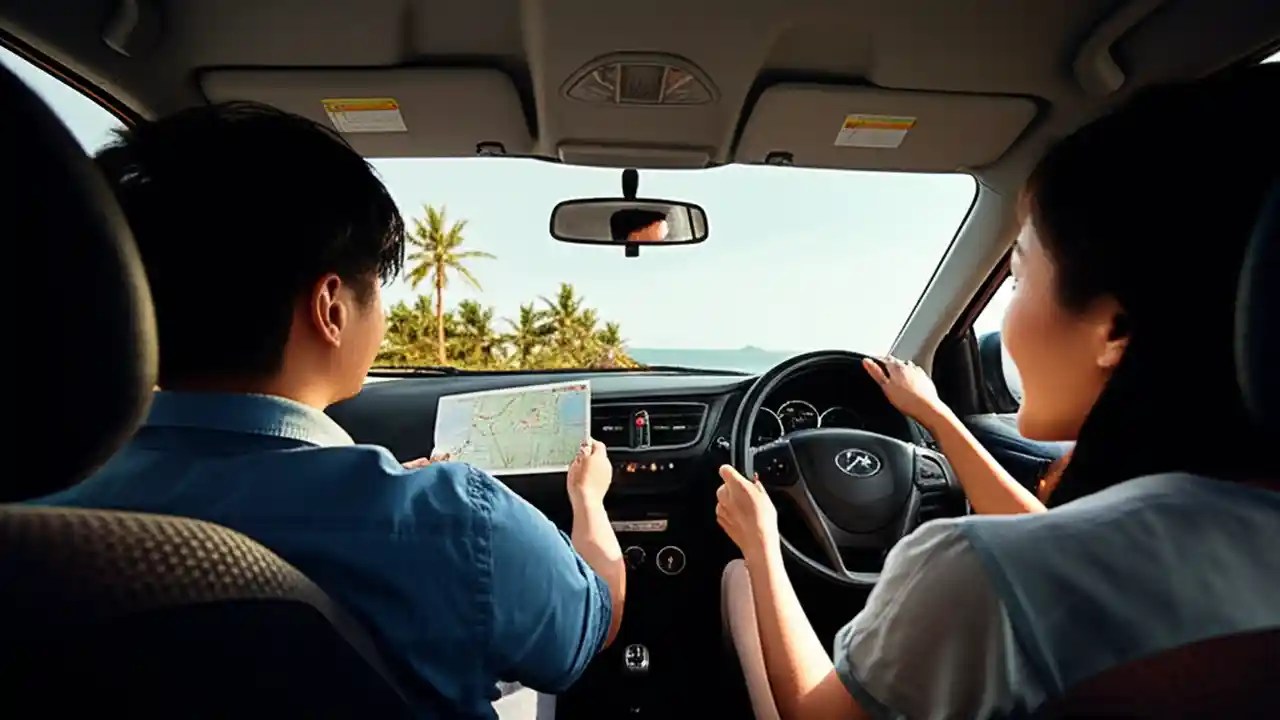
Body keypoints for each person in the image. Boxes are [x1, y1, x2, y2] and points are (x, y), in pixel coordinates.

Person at [717, 65, 1279, 719]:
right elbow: (1059, 546)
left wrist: (760, 542)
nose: (1005, 316)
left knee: (738, 584)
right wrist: (931, 413)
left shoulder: (973, 572)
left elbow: (820, 713)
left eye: (1016, 279)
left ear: (1114, 329)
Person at [29, 102, 625, 719]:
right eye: (377, 286)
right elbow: (592, 624)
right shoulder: (449, 521)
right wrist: (589, 501)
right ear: (332, 308)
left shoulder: (35, 520)